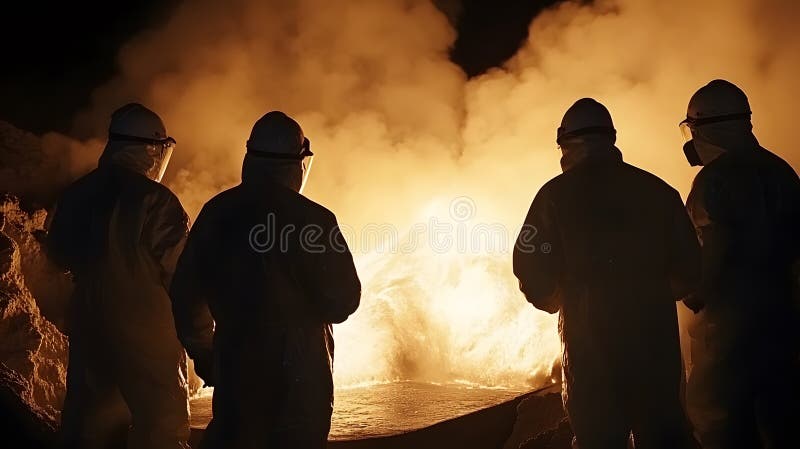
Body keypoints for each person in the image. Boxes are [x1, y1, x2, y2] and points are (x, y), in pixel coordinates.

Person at [513, 98, 701, 449]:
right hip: (653, 343)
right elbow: (691, 267)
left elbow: (530, 264)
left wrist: (558, 300)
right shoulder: (659, 192)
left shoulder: (553, 197)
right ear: (611, 138)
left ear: (565, 142)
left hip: (589, 347)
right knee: (663, 435)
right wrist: (655, 294)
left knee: (597, 436)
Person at [170, 111, 361, 449]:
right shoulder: (314, 218)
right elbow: (343, 300)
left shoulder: (218, 212)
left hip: (237, 358)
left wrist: (206, 353)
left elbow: (186, 294)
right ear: (298, 162)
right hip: (302, 367)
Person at [48, 103, 191, 449]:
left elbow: (57, 255)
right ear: (151, 150)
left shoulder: (77, 195)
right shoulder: (156, 201)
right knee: (161, 429)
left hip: (91, 331)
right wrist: (201, 334)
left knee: (91, 428)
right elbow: (183, 276)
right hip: (149, 339)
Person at [680, 79, 800, 449]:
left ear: (705, 127)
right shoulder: (782, 172)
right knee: (782, 424)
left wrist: (691, 294)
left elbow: (707, 256)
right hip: (784, 324)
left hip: (727, 335)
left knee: (721, 427)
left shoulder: (714, 181)